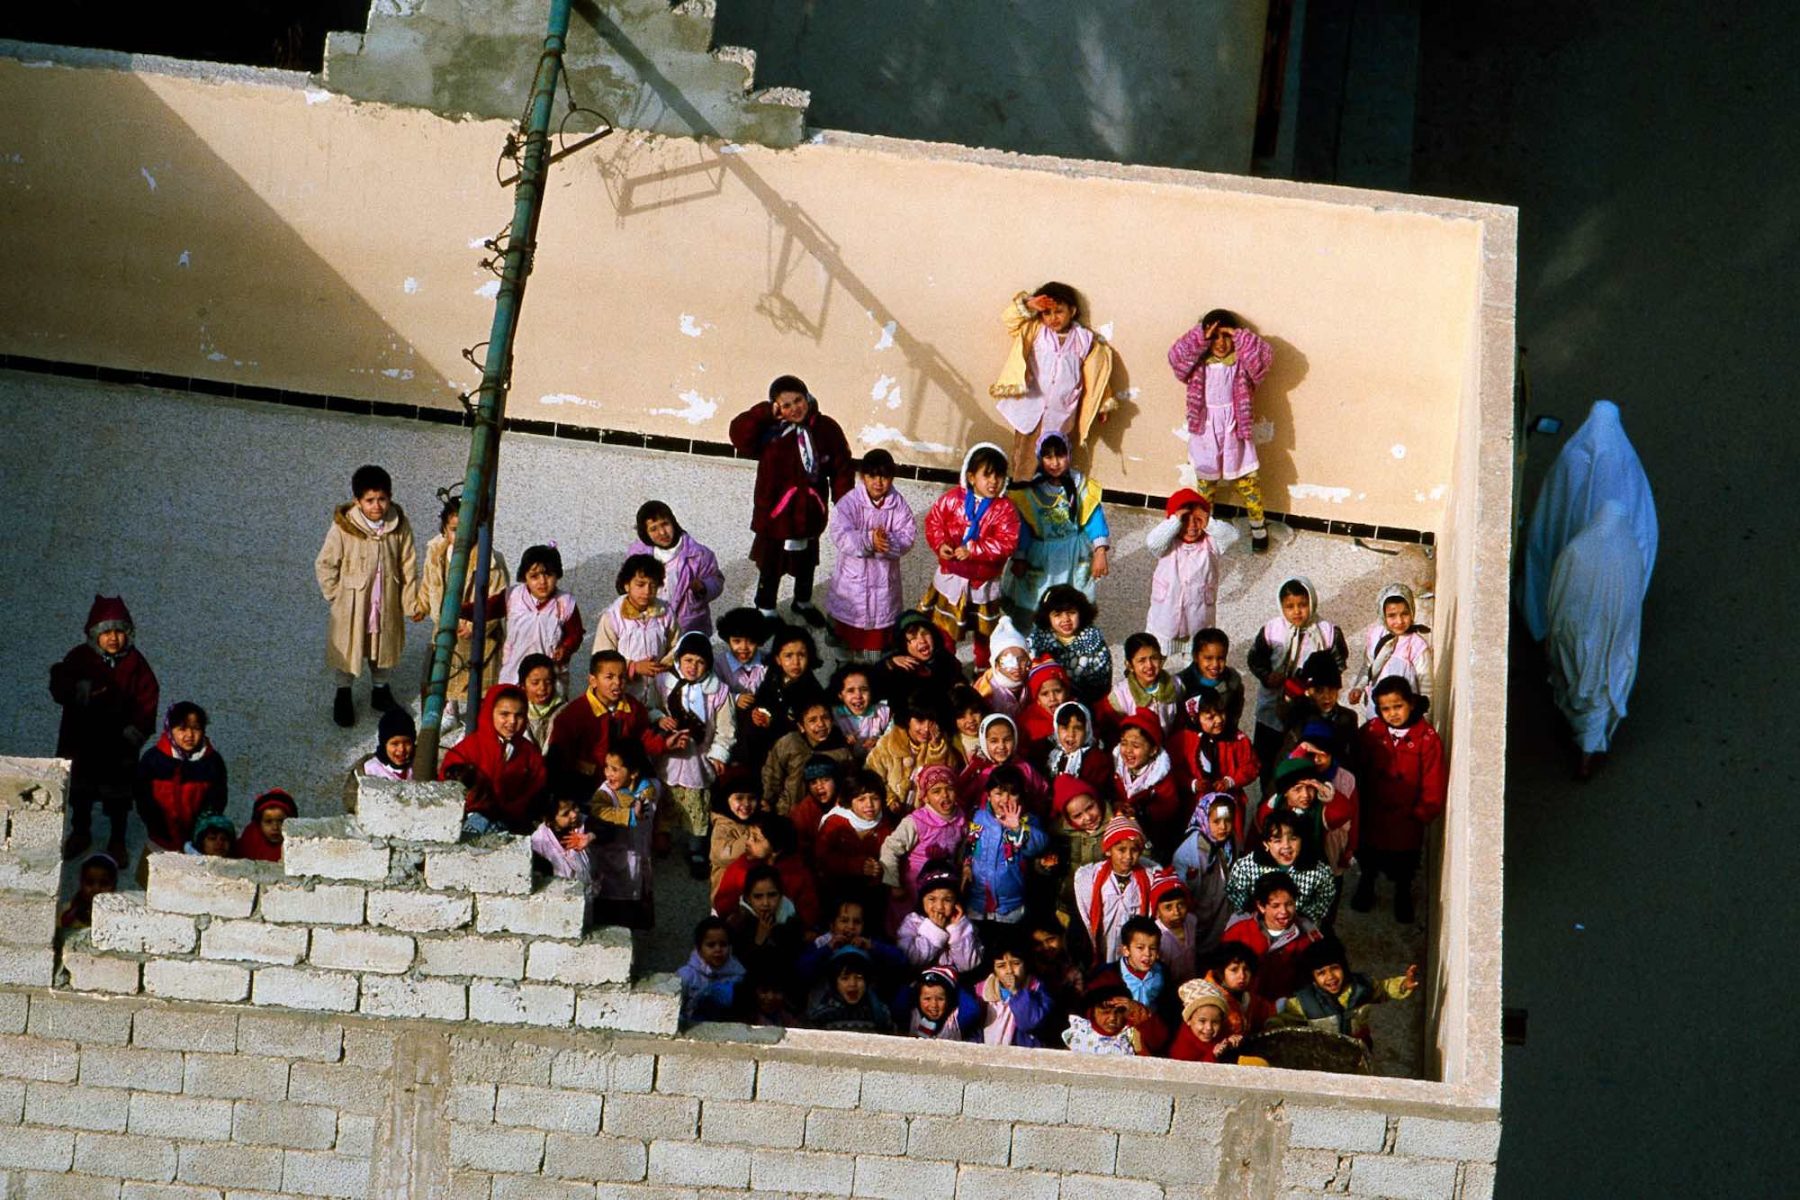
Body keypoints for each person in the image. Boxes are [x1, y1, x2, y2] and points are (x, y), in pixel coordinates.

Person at [1519, 398, 1658, 643]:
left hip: (1571, 548)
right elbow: (1644, 526)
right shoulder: (1628, 467)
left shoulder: (1572, 457)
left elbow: (1551, 511)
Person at [728, 375, 855, 625]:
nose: (794, 408)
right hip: (775, 513)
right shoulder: (769, 431)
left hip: (809, 510)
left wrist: (845, 503)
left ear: (807, 398)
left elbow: (841, 467)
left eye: (798, 400)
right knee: (772, 563)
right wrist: (764, 413)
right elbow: (739, 437)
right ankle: (765, 606)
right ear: (777, 407)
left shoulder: (825, 429)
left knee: (806, 561)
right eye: (786, 405)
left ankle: (802, 601)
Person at [50, 595, 159, 863]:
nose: (113, 638)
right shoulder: (80, 658)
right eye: (106, 632)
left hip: (118, 744)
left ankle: (117, 839)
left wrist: (137, 729)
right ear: (94, 635)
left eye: (119, 632)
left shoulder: (136, 664)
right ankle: (81, 831)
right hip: (82, 740)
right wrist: (76, 689)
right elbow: (59, 684)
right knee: (81, 790)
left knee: (118, 795)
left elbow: (148, 697)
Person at [1546, 500, 1650, 780]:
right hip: (1614, 639)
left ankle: (1583, 749)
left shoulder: (1578, 550)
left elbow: (1559, 595)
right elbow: (1633, 599)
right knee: (1603, 692)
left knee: (1578, 684)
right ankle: (1587, 755)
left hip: (1578, 635)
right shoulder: (1630, 552)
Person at [314, 463, 419, 727]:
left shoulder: (399, 526)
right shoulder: (344, 528)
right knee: (349, 647)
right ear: (357, 501)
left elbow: (407, 564)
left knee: (382, 646)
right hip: (353, 602)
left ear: (390, 497)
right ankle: (343, 693)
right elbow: (325, 563)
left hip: (386, 600)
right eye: (369, 500)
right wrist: (336, 595)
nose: (377, 506)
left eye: (382, 499)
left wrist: (410, 602)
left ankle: (380, 690)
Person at [1167, 309, 1275, 552]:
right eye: (1215, 337)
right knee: (1206, 488)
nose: (1221, 343)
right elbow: (1175, 358)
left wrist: (1240, 336)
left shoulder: (1241, 363)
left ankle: (1258, 527)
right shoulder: (1197, 364)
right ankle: (1203, 527)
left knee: (1248, 483)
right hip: (1206, 431)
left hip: (1235, 430)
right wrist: (1199, 336)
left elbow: (1265, 358)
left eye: (1226, 337)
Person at [990, 282, 1117, 478]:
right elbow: (1009, 320)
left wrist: (1102, 402)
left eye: (1059, 311)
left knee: (1054, 463)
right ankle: (1021, 499)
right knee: (1024, 460)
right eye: (1047, 313)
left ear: (1072, 311)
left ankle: (1049, 502)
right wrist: (1029, 306)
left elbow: (1097, 373)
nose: (1053, 318)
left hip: (1061, 413)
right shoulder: (1035, 330)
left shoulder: (1083, 339)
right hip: (1031, 411)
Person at [920, 443, 1022, 669]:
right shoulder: (951, 499)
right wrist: (941, 544)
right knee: (945, 625)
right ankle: (945, 666)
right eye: (987, 475)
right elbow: (934, 522)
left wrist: (974, 550)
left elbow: (1007, 543)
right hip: (951, 577)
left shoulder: (1005, 509)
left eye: (999, 476)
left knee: (984, 630)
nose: (993, 481)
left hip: (982, 582)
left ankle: (982, 668)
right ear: (971, 476)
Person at [1352, 678, 1446, 922]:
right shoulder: (1371, 731)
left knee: (1404, 865)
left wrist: (1424, 812)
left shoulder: (1426, 738)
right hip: (1373, 814)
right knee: (1368, 855)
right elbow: (1358, 767)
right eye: (1385, 708)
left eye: (1397, 706)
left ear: (1411, 704)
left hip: (1406, 820)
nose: (1392, 714)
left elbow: (1433, 779)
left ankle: (1402, 895)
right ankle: (1366, 883)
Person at [415, 490, 509, 726]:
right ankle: (450, 710)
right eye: (456, 530)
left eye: (470, 529)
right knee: (448, 671)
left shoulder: (490, 561)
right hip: (446, 625)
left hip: (478, 634)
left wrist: (479, 624)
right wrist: (423, 605)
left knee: (478, 676)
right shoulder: (436, 554)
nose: (463, 535)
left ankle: (475, 716)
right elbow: (430, 582)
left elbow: (498, 597)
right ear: (445, 531)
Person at [1246, 577, 1347, 789]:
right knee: (1268, 754)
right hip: (1273, 705)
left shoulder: (1327, 632)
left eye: (1302, 605)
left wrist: (1319, 683)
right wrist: (1267, 676)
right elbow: (1255, 659)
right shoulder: (1272, 630)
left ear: (1312, 602)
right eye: (1289, 607)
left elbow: (1338, 662)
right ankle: (1270, 794)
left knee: (1301, 751)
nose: (1297, 612)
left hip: (1309, 707)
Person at [656, 632, 737, 879]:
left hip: (697, 759)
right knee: (667, 799)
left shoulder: (718, 692)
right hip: (669, 757)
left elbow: (726, 729)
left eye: (700, 662)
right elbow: (651, 706)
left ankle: (696, 848)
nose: (693, 667)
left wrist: (718, 755)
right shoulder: (664, 682)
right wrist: (658, 718)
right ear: (679, 659)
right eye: (688, 660)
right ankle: (663, 836)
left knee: (697, 806)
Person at [825, 449, 918, 655]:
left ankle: (874, 670)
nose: (878, 482)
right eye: (872, 476)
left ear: (892, 478)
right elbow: (840, 533)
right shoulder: (850, 502)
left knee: (876, 642)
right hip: (852, 583)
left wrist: (886, 542)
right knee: (846, 636)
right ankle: (844, 666)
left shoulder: (898, 505)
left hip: (884, 585)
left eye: (884, 476)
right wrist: (868, 540)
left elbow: (908, 534)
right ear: (862, 476)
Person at [1005, 432, 1110, 613]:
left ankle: (1069, 634)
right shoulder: (1031, 489)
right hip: (1040, 554)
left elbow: (1094, 517)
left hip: (1073, 553)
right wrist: (1020, 557)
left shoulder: (1080, 486)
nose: (1055, 463)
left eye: (1060, 456)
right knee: (1035, 598)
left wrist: (1100, 552)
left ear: (1069, 455)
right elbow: (1024, 526)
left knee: (1073, 599)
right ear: (1040, 458)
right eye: (1048, 457)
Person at [546, 651, 666, 802]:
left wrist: (664, 743)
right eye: (609, 677)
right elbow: (561, 757)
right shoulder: (574, 714)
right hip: (585, 786)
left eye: (622, 677)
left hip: (621, 783)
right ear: (593, 680)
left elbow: (641, 740)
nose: (617, 682)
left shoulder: (633, 708)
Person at [1270, 938, 1419, 1047]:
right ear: (1313, 978)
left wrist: (1403, 985)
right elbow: (1282, 1021)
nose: (1330, 977)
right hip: (1322, 1055)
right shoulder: (1303, 1002)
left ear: (1344, 967)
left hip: (1359, 1050)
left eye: (1335, 968)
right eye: (1321, 973)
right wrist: (1271, 1027)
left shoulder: (1362, 987)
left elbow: (1384, 989)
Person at [440, 683, 547, 835]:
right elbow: (447, 792)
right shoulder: (465, 751)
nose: (512, 721)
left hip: (514, 826)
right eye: (504, 714)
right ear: (490, 712)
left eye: (519, 715)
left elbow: (536, 788)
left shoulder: (530, 753)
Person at [134, 702, 228, 858]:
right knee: (155, 878)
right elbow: (143, 797)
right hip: (159, 838)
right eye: (182, 729)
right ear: (170, 730)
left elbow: (217, 800)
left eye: (196, 728)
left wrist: (201, 831)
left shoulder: (212, 762)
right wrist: (157, 826)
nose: (189, 735)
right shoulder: (152, 760)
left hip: (197, 842)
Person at [965, 766, 1050, 931]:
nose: (1005, 799)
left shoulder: (1028, 820)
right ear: (988, 795)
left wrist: (1017, 828)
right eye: (999, 793)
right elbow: (971, 846)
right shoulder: (978, 818)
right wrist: (967, 865)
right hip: (977, 902)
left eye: (1012, 793)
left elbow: (1039, 845)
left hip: (1011, 905)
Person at [626, 500, 725, 636]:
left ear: (673, 522)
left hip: (688, 627)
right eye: (653, 529)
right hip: (650, 627)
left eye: (665, 524)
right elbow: (628, 583)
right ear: (645, 533)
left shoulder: (698, 554)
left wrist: (704, 587)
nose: (662, 532)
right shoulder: (636, 554)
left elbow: (716, 580)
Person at [1143, 489, 1222, 657]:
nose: (1192, 526)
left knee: (1195, 661)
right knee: (1155, 655)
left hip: (1198, 621)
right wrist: (1175, 521)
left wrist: (1209, 523)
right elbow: (1152, 542)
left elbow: (1232, 536)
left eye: (1198, 520)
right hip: (1165, 617)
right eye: (1185, 520)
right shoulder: (1167, 544)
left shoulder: (1211, 544)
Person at [1224, 810, 1337, 927]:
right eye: (1278, 840)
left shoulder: (1318, 870)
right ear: (1266, 844)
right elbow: (1235, 899)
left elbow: (1325, 897)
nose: (1286, 846)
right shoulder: (1246, 867)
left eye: (1293, 838)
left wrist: (1303, 918)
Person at [592, 554, 677, 708]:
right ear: (626, 585)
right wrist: (634, 667)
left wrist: (663, 665)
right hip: (623, 694)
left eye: (653, 585)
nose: (647, 591)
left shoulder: (665, 612)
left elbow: (677, 646)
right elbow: (601, 658)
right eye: (640, 584)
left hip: (659, 689)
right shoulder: (613, 616)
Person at [1221, 872, 1322, 1001]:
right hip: (1243, 1005)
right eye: (1275, 906)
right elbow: (1221, 974)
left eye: (1289, 904)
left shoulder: (1309, 934)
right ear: (1261, 906)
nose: (1284, 912)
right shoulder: (1238, 931)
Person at [497, 544, 583, 696]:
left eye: (548, 575)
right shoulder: (513, 597)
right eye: (534, 576)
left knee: (549, 712)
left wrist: (565, 648)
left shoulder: (565, 603)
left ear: (557, 575)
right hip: (515, 670)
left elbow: (575, 633)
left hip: (549, 675)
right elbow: (486, 608)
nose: (542, 582)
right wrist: (461, 610)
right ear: (525, 578)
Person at [590, 741, 660, 925]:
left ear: (634, 772)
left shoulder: (651, 788)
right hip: (614, 866)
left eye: (615, 769)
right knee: (613, 915)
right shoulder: (605, 794)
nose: (608, 774)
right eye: (606, 767)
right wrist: (628, 815)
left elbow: (660, 811)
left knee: (635, 912)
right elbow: (598, 811)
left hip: (641, 860)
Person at [1073, 815, 1157, 964]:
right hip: (1105, 943)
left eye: (1134, 850)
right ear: (1108, 850)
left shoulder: (1149, 878)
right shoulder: (1091, 878)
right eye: (1121, 850)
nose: (1128, 856)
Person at [735, 626, 823, 768]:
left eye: (801, 655)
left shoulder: (811, 689)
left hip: (793, 738)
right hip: (769, 725)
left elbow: (800, 723)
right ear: (778, 659)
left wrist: (772, 720)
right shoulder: (774, 673)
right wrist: (758, 711)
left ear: (809, 656)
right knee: (746, 715)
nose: (795, 662)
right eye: (788, 656)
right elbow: (764, 695)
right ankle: (743, 763)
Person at [815, 772, 895, 920]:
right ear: (849, 801)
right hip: (837, 892)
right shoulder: (835, 823)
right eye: (861, 799)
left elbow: (893, 856)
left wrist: (880, 869)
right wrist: (856, 865)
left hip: (872, 895)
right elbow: (821, 858)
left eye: (875, 798)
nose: (869, 805)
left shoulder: (885, 825)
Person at [1348, 583, 1434, 720]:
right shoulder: (1376, 636)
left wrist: (1424, 721)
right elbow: (1368, 666)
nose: (1399, 621)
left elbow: (1426, 688)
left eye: (1405, 614)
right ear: (1383, 615)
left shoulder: (1417, 646)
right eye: (1392, 615)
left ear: (1412, 612)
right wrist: (1358, 687)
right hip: (1377, 711)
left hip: (1405, 717)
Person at [866, 694, 962, 814]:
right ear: (907, 720)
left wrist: (936, 749)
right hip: (888, 814)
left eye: (931, 721)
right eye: (920, 721)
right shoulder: (888, 744)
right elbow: (872, 777)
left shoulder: (942, 746)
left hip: (926, 818)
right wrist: (889, 799)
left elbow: (946, 778)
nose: (926, 728)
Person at [762, 694, 854, 817]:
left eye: (825, 718)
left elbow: (849, 784)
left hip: (826, 816)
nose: (821, 724)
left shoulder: (841, 751)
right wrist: (767, 800)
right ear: (801, 726)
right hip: (787, 812)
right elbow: (772, 775)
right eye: (812, 720)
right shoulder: (789, 743)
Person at [1170, 793, 1240, 952]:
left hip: (1220, 912)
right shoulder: (1193, 851)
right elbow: (1187, 891)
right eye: (1216, 821)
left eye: (1228, 821)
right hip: (1200, 916)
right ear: (1203, 819)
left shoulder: (1230, 841)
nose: (1223, 827)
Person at [1180, 689, 1259, 824]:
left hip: (1229, 803)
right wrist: (1192, 783)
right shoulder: (1183, 740)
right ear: (1196, 718)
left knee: (1225, 832)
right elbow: (1174, 771)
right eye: (1210, 717)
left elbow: (1252, 765)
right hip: (1194, 806)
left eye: (1221, 713)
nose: (1219, 720)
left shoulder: (1236, 739)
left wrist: (1230, 781)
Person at [969, 926, 1058, 1047]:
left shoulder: (1037, 989)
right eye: (1001, 966)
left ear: (1026, 964)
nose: (1009, 971)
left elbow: (1029, 1023)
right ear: (993, 970)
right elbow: (973, 1030)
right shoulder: (981, 992)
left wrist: (1016, 992)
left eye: (1016, 963)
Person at [1111, 711, 1179, 858]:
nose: (1128, 750)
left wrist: (1142, 811)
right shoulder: (1115, 765)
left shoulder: (1160, 776)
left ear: (1153, 750)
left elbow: (1168, 807)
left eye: (1135, 745)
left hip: (1149, 833)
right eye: (1124, 743)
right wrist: (1115, 804)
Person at [1028, 585, 1112, 704]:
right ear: (1047, 616)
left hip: (1086, 702)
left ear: (1081, 613)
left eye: (1071, 613)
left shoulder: (1094, 641)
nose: (1066, 619)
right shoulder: (1037, 641)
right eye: (1057, 615)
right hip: (1046, 701)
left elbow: (1101, 684)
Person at [876, 611, 967, 722]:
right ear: (903, 644)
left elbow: (959, 680)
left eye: (925, 633)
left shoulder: (945, 659)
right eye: (913, 637)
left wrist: (961, 688)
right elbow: (872, 682)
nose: (922, 641)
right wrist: (888, 664)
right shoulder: (897, 669)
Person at [896, 859, 982, 972]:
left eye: (947, 900)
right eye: (932, 899)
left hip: (953, 983)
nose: (939, 907)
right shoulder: (913, 922)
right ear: (922, 900)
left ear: (956, 901)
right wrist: (935, 929)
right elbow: (910, 959)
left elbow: (967, 964)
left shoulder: (962, 925)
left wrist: (957, 928)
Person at [724, 862, 806, 979]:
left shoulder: (790, 917)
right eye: (758, 896)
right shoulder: (737, 923)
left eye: (772, 895)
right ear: (748, 898)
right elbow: (738, 967)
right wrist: (759, 939)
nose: (766, 903)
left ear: (781, 895)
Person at [1062, 965, 1167, 1056]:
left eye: (1119, 1011)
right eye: (1105, 1012)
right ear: (1092, 1012)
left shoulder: (1131, 1034)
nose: (1112, 1018)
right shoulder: (1080, 1032)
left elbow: (1158, 1041)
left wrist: (1139, 1011)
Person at [958, 714, 1050, 815]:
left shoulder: (1024, 768)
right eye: (994, 741)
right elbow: (966, 799)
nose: (1001, 746)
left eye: (1007, 740)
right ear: (984, 742)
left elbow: (1042, 792)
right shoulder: (981, 771)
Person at [1098, 634, 1181, 742]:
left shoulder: (1175, 685)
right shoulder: (1120, 696)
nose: (1149, 665)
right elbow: (1113, 734)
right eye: (1142, 660)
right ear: (1129, 665)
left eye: (1154, 658)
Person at [343, 707, 416, 811]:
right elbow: (350, 800)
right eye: (395, 744)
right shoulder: (368, 769)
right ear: (384, 744)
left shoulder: (419, 762)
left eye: (407, 743)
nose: (401, 749)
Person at [806, 945, 893, 1033]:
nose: (852, 984)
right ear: (835, 983)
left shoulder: (880, 1013)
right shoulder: (821, 1015)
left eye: (859, 978)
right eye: (845, 978)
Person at [678, 916, 745, 1026]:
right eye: (711, 945)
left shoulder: (738, 976)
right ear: (699, 949)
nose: (718, 949)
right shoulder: (686, 976)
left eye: (723, 944)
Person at [1175, 627, 1246, 731]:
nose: (1215, 664)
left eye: (1221, 658)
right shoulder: (1181, 683)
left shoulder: (1232, 681)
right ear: (1195, 656)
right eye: (1208, 658)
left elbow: (1235, 711)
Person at [1043, 701, 1114, 801]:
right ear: (1056, 729)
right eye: (1065, 728)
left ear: (1087, 730)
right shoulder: (1052, 755)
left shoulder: (1096, 759)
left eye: (1078, 728)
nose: (1071, 734)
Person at [707, 770, 763, 897]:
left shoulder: (758, 820)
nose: (746, 804)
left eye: (752, 798)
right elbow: (721, 855)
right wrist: (751, 837)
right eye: (739, 798)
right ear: (726, 799)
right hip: (725, 894)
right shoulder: (723, 826)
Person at [1169, 978, 1243, 1063]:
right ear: (1189, 1020)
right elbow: (1189, 1072)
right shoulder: (1182, 1048)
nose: (1209, 1027)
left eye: (1215, 1022)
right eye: (1202, 1021)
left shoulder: (1222, 1032)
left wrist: (1232, 1041)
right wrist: (1213, 1055)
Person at [972, 616, 1032, 717]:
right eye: (1008, 661)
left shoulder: (1032, 679)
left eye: (1021, 659)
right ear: (996, 665)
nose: (1016, 666)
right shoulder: (987, 692)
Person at [901, 965, 981, 1040]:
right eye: (927, 999)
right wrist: (914, 984)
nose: (934, 1005)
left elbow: (972, 1010)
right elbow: (900, 1000)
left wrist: (957, 985)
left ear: (949, 999)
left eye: (940, 999)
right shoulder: (913, 1016)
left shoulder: (953, 1022)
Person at [1150, 868, 1201, 985]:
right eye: (1168, 907)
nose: (1176, 912)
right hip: (1169, 987)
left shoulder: (1191, 921)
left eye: (1181, 905)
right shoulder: (1157, 936)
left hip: (1192, 982)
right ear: (1157, 912)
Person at [829, 664, 891, 760]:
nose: (858, 696)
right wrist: (841, 740)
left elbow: (893, 735)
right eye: (851, 691)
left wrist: (880, 740)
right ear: (840, 695)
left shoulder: (882, 712)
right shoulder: (834, 716)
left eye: (864, 690)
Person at [530, 794, 595, 885]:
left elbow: (608, 833)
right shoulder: (540, 839)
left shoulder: (585, 823)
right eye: (565, 813)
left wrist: (590, 836)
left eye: (574, 807)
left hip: (592, 886)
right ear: (550, 821)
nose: (574, 814)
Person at [712, 607, 770, 705]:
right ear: (728, 640)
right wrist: (735, 698)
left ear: (759, 641)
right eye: (737, 641)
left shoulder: (767, 661)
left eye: (751, 641)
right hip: (729, 713)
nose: (743, 648)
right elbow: (714, 692)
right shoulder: (719, 664)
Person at [1114, 915, 1169, 1014]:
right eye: (1140, 948)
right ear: (1126, 950)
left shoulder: (1163, 972)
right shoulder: (1111, 975)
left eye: (1152, 948)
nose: (1147, 954)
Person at [59, 854, 118, 932]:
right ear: (81, 883)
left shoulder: (118, 916)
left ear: (114, 886)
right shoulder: (66, 911)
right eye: (90, 882)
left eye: (104, 883)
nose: (96, 889)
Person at [234, 790, 296, 862]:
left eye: (281, 821)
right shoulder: (247, 844)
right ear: (259, 824)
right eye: (268, 821)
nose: (275, 827)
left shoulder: (297, 847)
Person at [519, 655, 565, 750]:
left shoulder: (565, 711)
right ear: (523, 685)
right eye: (535, 683)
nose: (542, 688)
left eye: (548, 682)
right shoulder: (516, 712)